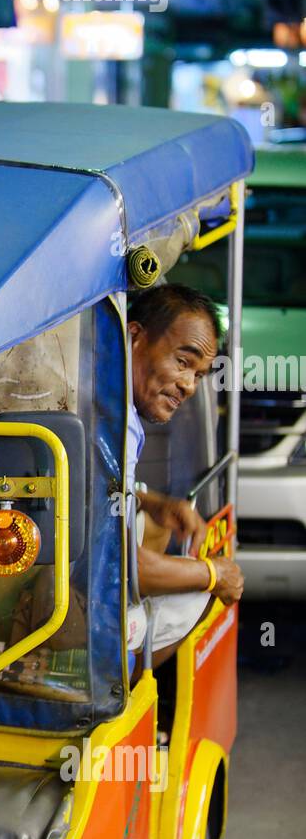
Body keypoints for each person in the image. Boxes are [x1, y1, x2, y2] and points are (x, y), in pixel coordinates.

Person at [126, 283, 244, 667]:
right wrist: (213, 573)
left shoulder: (117, 411)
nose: (189, 386)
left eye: (199, 373)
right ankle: (121, 691)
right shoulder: (118, 424)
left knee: (157, 528)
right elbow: (127, 568)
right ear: (135, 337)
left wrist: (153, 502)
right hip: (68, 600)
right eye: (182, 361)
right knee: (203, 590)